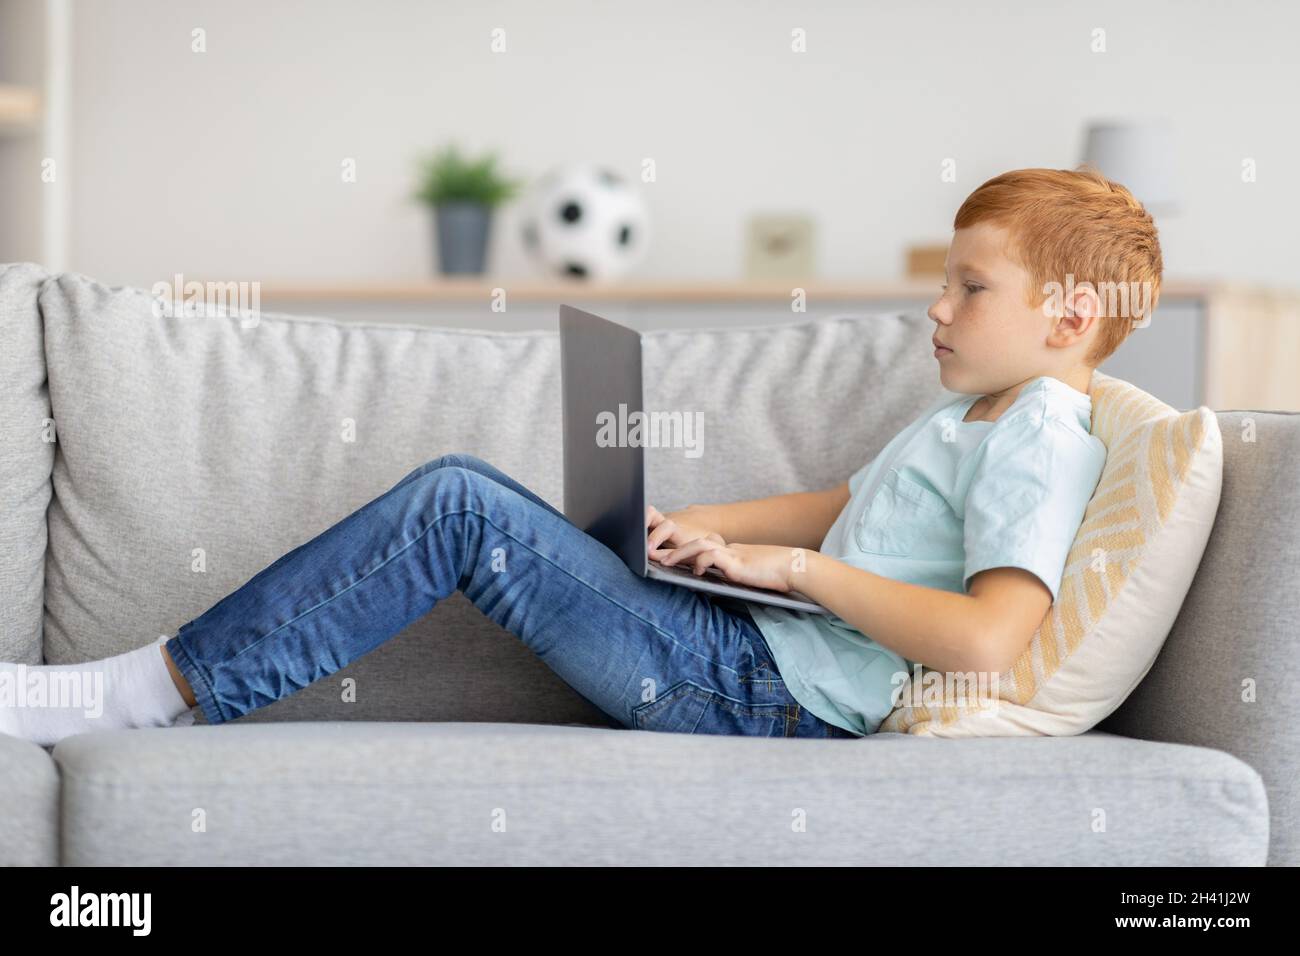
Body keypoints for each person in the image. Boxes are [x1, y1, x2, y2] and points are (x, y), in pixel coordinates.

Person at [0, 165, 1159, 746]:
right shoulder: (970, 416)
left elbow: (990, 638)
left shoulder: (1039, 437)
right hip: (748, 647)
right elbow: (846, 501)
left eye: (970, 285)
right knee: (477, 492)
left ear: (1066, 315)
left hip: (762, 694)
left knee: (459, 505)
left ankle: (138, 692)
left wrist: (794, 576)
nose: (937, 308)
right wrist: (708, 528)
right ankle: (154, 680)